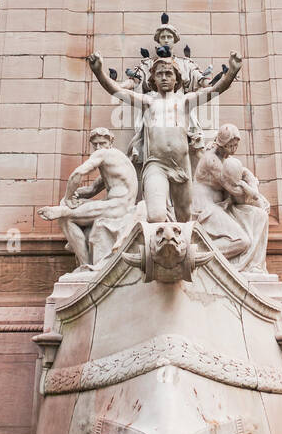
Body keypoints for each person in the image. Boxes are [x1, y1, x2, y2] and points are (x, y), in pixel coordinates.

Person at [88, 51, 241, 223]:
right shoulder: (147, 102)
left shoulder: (185, 101)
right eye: (159, 74)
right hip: (156, 165)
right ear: (153, 79)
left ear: (177, 78)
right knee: (156, 216)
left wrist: (232, 71)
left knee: (185, 218)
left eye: (169, 73)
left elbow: (214, 90)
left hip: (181, 166)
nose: (164, 77)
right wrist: (98, 71)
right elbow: (117, 91)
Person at [38, 128, 140, 268]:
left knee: (66, 219)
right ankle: (66, 216)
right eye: (95, 145)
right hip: (115, 205)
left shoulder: (104, 154)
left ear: (110, 143)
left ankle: (84, 266)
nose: (98, 148)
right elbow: (91, 189)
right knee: (69, 208)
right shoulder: (116, 161)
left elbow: (77, 174)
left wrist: (68, 198)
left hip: (118, 207)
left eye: (102, 143)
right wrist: (75, 195)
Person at [193, 124, 270, 271]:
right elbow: (235, 189)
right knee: (242, 241)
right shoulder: (212, 160)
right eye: (230, 145)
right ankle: (195, 254)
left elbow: (237, 181)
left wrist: (248, 179)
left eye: (236, 145)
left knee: (259, 216)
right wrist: (251, 184)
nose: (234, 149)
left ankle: (254, 266)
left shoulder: (224, 156)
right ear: (222, 144)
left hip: (222, 205)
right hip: (204, 207)